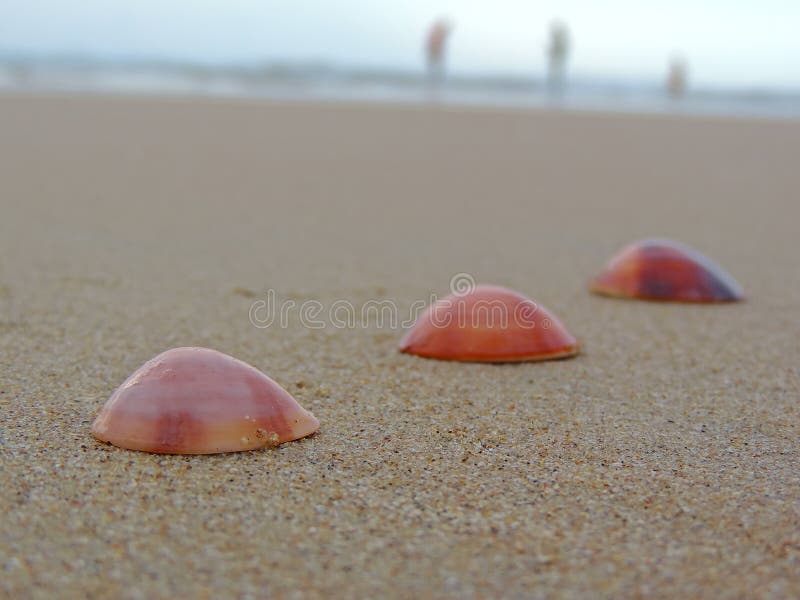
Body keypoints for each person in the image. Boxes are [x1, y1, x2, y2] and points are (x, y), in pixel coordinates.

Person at [425, 18, 452, 85]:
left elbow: (446, 33)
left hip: (437, 53)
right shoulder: (435, 33)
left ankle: (437, 82)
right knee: (434, 68)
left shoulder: (439, 33)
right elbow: (430, 43)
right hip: (434, 52)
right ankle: (434, 82)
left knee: (438, 68)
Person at [546, 20, 570, 95]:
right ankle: (554, 90)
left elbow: (562, 49)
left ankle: (557, 90)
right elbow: (552, 50)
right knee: (554, 75)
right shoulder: (557, 38)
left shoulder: (560, 38)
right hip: (555, 61)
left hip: (558, 61)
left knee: (558, 74)